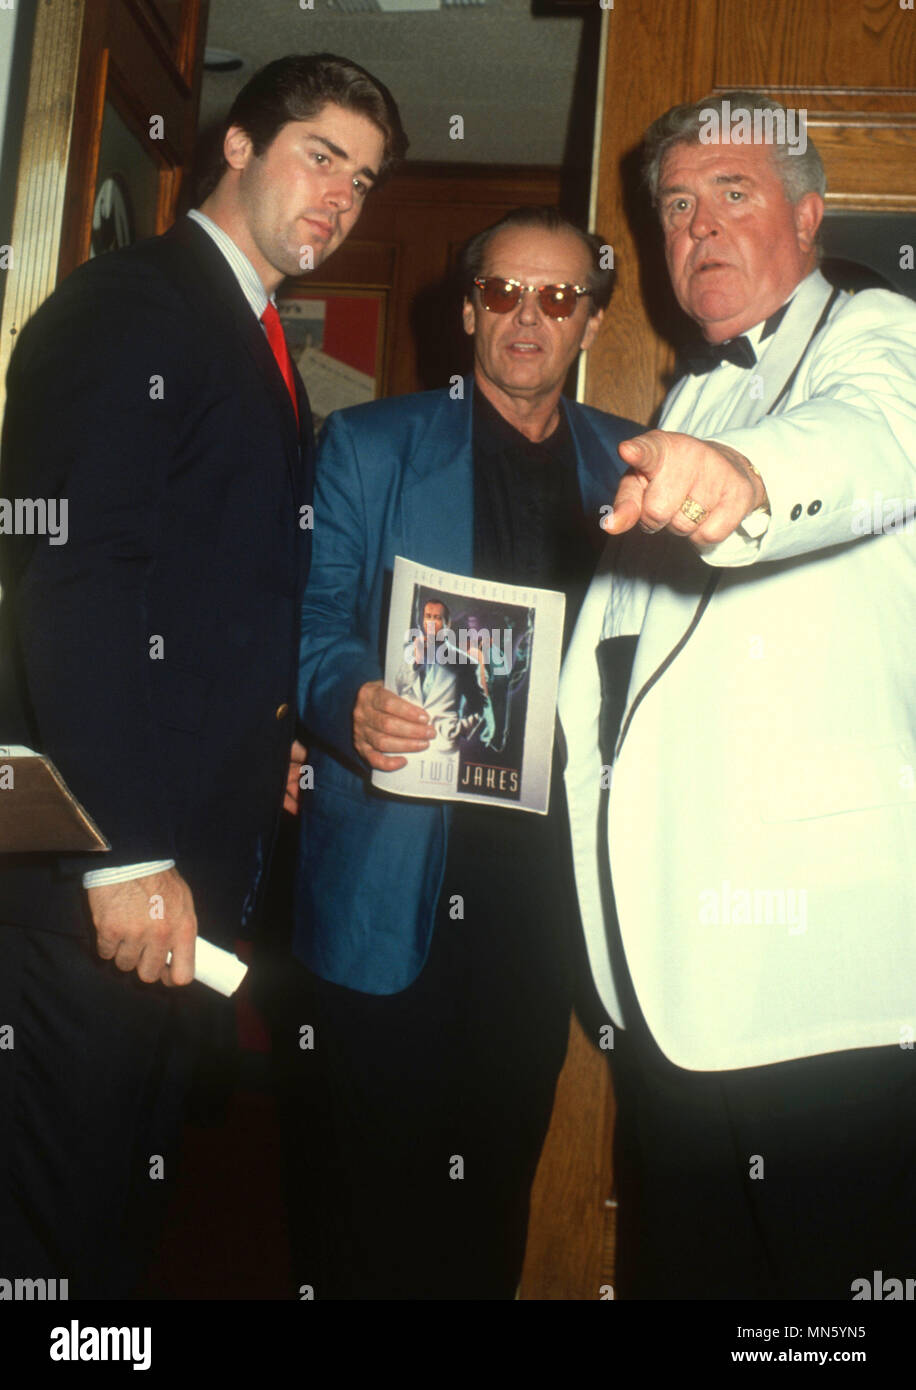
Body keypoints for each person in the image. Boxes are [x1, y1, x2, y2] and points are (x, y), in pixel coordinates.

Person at [0, 52, 406, 1298]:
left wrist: (269, 726)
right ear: (237, 146)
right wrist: (121, 854)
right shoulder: (136, 303)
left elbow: (208, 586)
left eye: (366, 179)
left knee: (121, 1204)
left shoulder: (251, 335)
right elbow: (68, 574)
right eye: (320, 156)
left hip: (183, 871)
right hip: (100, 877)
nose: (342, 197)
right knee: (55, 1223)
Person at [559, 91, 916, 1300]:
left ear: (809, 215)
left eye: (732, 193)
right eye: (673, 203)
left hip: (820, 989)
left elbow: (873, 441)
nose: (696, 225)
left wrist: (748, 479)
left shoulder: (880, 335)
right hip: (667, 971)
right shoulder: (688, 395)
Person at [275, 206, 641, 1299]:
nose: (527, 319)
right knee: (364, 1197)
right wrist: (347, 703)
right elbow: (304, 622)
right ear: (466, 307)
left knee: (493, 1181)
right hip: (391, 870)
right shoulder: (369, 443)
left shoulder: (630, 464)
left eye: (558, 297)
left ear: (591, 319)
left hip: (546, 888)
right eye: (502, 293)